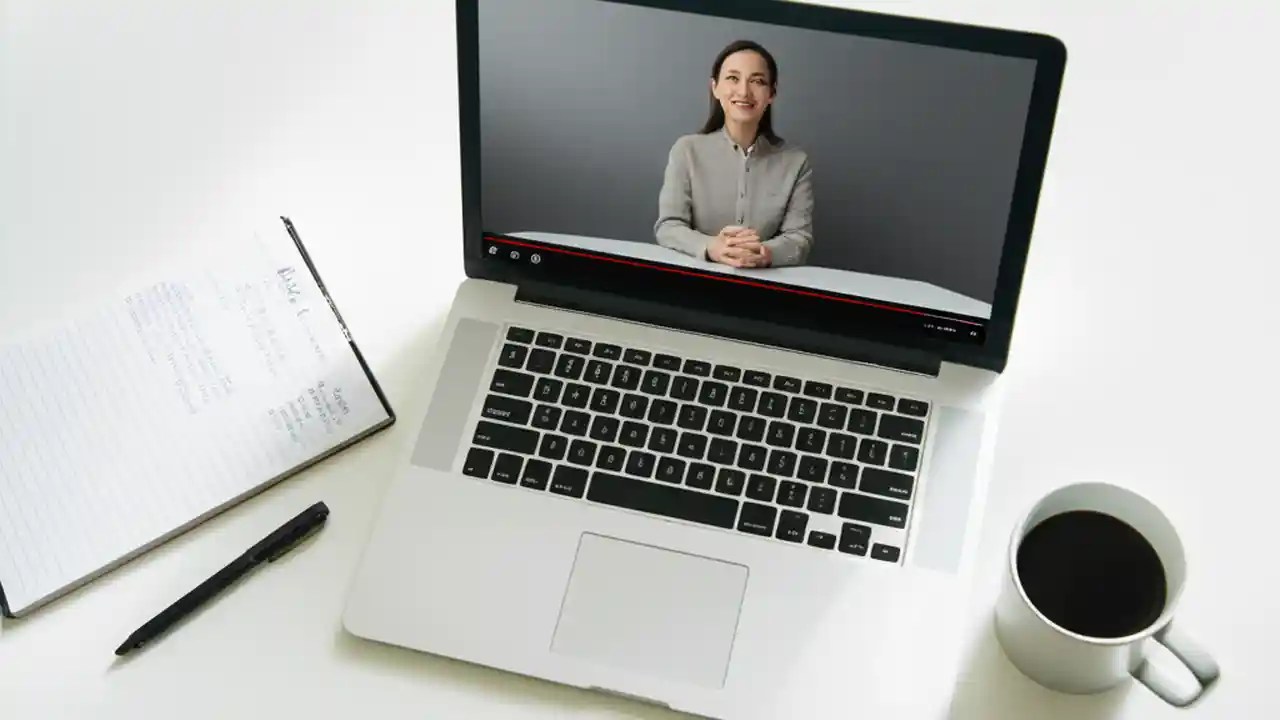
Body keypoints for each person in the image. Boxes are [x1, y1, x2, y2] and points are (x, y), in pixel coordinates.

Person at [655, 40, 814, 268]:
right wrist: (713, 247)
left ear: (772, 93)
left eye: (757, 81)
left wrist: (764, 252)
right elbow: (668, 226)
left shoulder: (796, 162)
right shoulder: (686, 150)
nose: (744, 91)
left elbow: (800, 238)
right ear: (715, 87)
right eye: (733, 78)